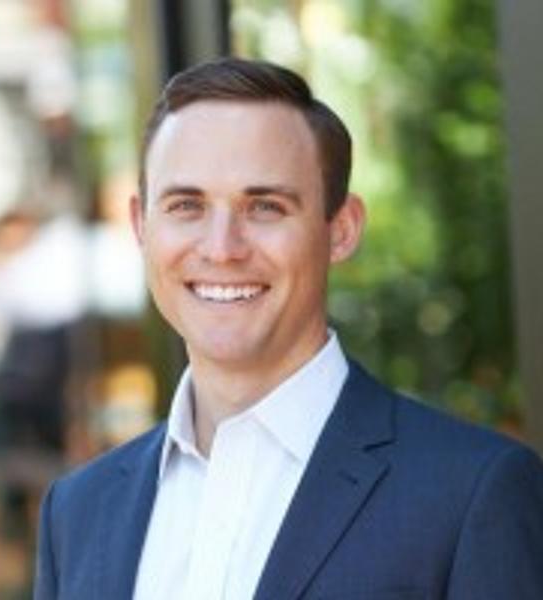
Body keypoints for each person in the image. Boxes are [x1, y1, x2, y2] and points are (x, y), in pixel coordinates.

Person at [34, 58, 543, 600]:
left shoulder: (470, 494)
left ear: (341, 230)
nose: (222, 249)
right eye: (187, 205)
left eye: (264, 206)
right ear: (141, 225)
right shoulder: (77, 513)